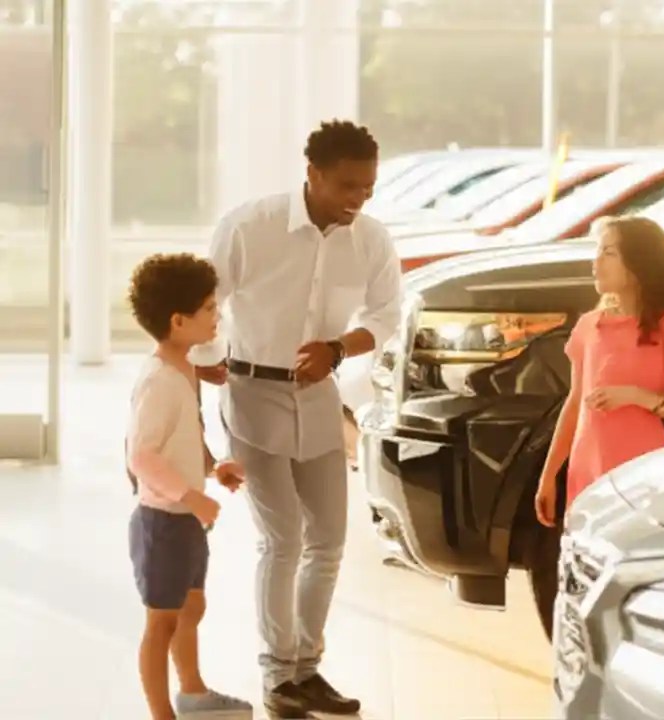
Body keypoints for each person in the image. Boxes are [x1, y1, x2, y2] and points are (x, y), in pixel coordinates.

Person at [192, 120, 402, 718]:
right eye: (346, 186)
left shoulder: (370, 239)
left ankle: (306, 670)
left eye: (367, 187)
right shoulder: (248, 226)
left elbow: (388, 313)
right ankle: (277, 674)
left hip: (317, 397)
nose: (358, 199)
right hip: (252, 392)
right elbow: (211, 298)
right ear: (312, 174)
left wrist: (339, 348)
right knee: (282, 539)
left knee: (329, 540)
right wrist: (208, 360)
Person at [125, 253, 252, 720]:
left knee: (192, 606)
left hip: (184, 520)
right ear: (179, 321)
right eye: (208, 309)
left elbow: (185, 436)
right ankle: (163, 714)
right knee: (161, 622)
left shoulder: (184, 369)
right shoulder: (159, 381)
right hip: (163, 521)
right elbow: (142, 455)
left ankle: (194, 692)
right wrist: (190, 495)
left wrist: (214, 466)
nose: (216, 315)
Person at [534, 216, 664, 526]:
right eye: (597, 251)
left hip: (641, 476)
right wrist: (549, 474)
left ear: (639, 264)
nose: (595, 262)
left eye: (609, 253)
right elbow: (574, 403)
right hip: (587, 473)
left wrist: (634, 396)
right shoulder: (589, 326)